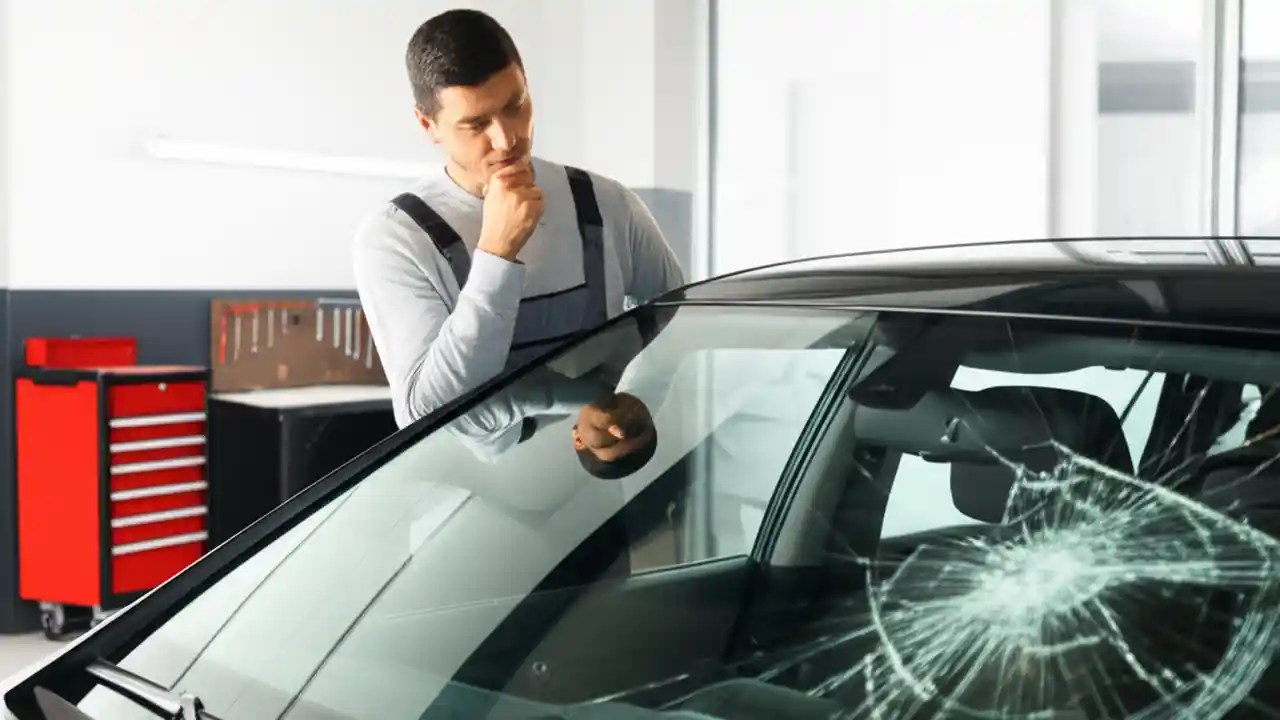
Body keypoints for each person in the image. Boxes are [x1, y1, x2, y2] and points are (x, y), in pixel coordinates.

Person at [353, 8, 687, 452]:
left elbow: (677, 320)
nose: (507, 138)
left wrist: (638, 405)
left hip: (597, 493)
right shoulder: (395, 241)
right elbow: (426, 414)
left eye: (516, 105)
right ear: (427, 125)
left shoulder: (607, 203)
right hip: (473, 504)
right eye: (475, 124)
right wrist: (497, 253)